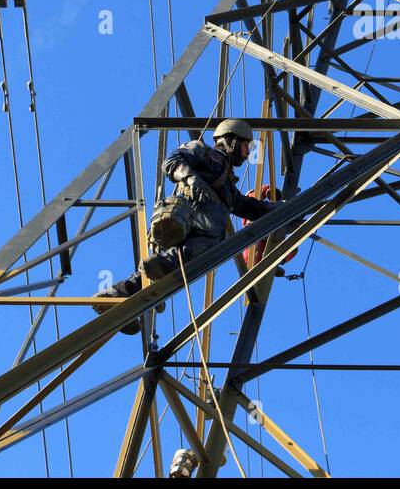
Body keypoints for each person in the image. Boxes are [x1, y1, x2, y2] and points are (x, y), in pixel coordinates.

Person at [92, 118, 278, 333]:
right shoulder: (203, 152)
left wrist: (281, 208)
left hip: (201, 235)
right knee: (190, 256)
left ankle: (120, 295)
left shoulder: (228, 186)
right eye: (246, 147)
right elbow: (171, 162)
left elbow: (249, 207)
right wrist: (189, 177)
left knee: (187, 261)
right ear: (231, 141)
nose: (247, 154)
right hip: (184, 221)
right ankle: (161, 266)